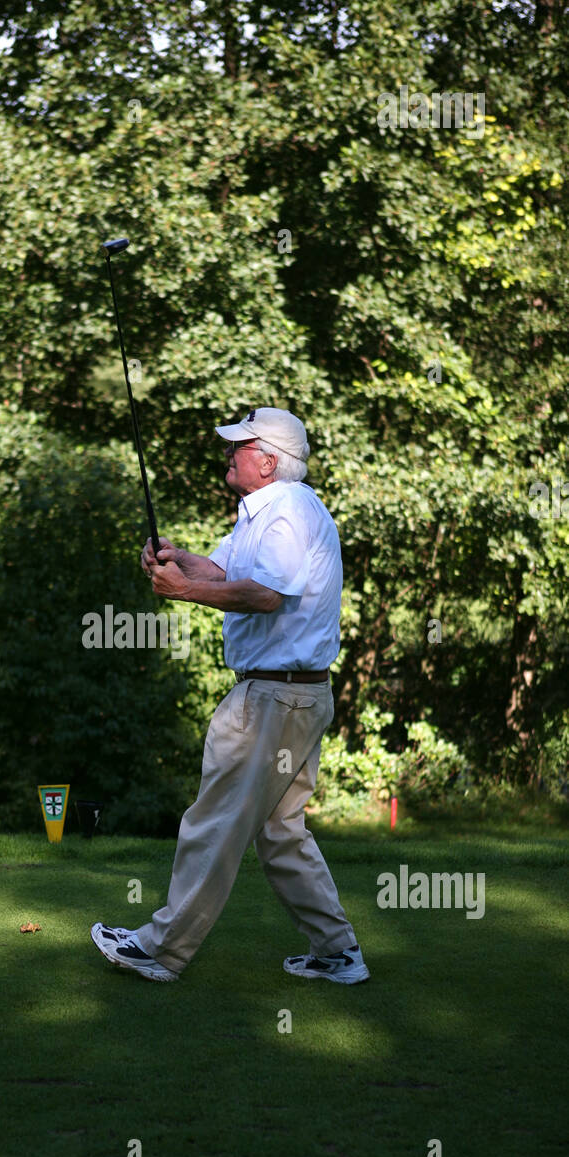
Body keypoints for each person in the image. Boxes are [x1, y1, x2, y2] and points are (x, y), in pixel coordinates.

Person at [90, 406, 369, 985]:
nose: (229, 453)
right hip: (295, 697)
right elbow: (224, 571)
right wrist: (177, 559)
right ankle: (338, 953)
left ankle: (163, 950)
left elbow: (265, 595)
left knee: (214, 821)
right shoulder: (263, 512)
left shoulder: (287, 511)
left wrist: (184, 590)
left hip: (271, 700)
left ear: (267, 461)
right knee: (280, 830)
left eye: (239, 445)